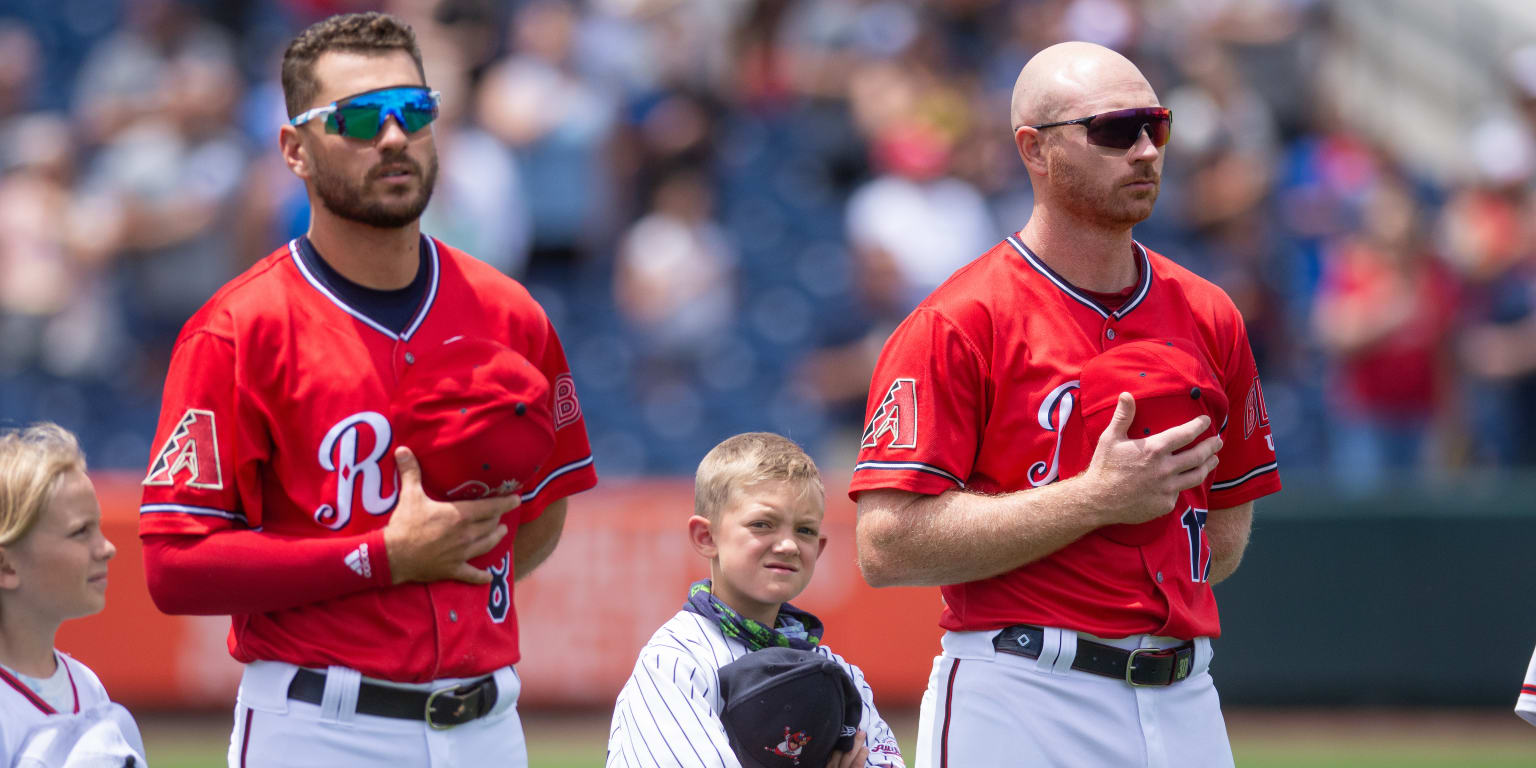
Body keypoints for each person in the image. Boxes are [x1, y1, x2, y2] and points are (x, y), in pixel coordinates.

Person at [137, 12, 597, 768]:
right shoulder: (238, 330)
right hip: (321, 725)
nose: (392, 137)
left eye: (414, 111)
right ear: (295, 150)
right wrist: (381, 558)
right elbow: (174, 566)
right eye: (357, 117)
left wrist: (449, 560)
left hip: (489, 725)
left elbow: (545, 505)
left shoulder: (511, 313)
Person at [850, 42, 1281, 767]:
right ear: (1034, 150)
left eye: (1156, 126)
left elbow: (1226, 536)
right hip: (1023, 692)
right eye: (1114, 130)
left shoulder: (1211, 313)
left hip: (1185, 695)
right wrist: (1095, 500)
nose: (1145, 151)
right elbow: (886, 545)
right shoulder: (959, 320)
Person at [607, 432, 903, 767]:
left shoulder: (840, 677)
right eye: (762, 524)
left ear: (818, 549)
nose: (788, 545)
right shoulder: (674, 663)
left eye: (805, 530)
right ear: (706, 537)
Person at [0, 423, 146, 766]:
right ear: (6, 566)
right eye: (80, 532)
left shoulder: (88, 686)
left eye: (98, 527)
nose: (107, 548)